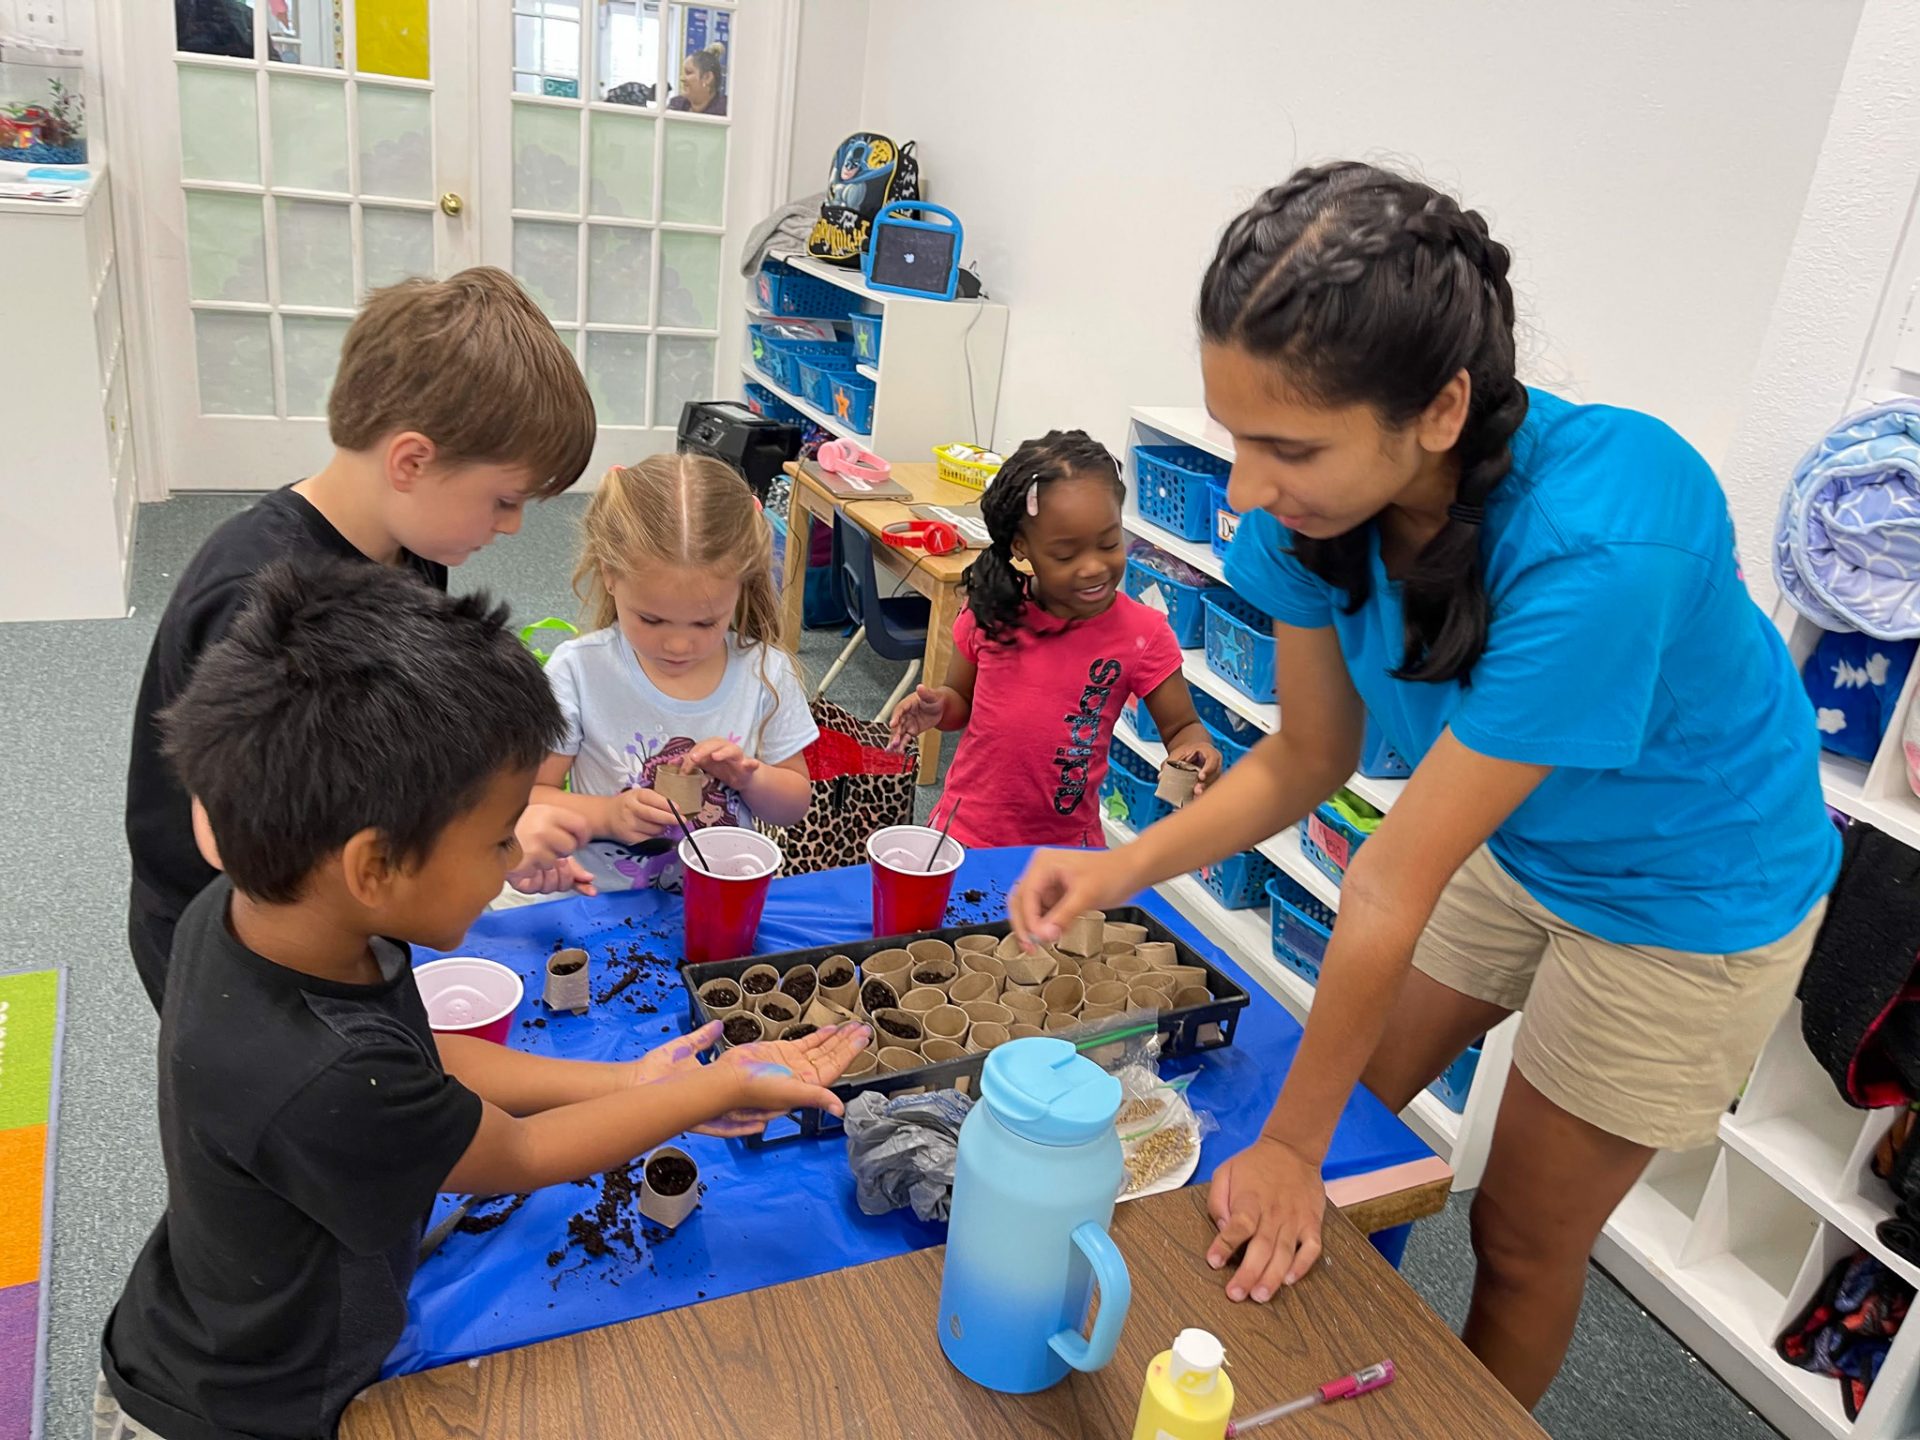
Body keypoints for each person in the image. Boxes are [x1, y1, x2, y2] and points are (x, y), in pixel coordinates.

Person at [1009, 162, 1838, 1408]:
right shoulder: (1304, 511)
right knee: (1352, 1123)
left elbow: (1394, 872)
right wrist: (1123, 863)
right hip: (1522, 842)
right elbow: (1308, 757)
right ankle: (1299, 1350)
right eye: (1234, 436)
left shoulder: (1610, 535)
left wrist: (1291, 1143)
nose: (1242, 487)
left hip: (1689, 895)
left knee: (1517, 1237)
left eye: (1286, 447)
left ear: (1439, 410)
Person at [95, 558, 867, 1440]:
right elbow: (524, 1154)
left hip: (211, 1313)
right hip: (259, 1399)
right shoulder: (326, 1075)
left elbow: (422, 1059)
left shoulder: (266, 911)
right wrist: (717, 1087)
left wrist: (625, 1087)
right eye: (499, 840)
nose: (515, 864)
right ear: (375, 867)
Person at [123, 268, 599, 1012]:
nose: (511, 528)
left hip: (353, 902)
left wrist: (485, 835)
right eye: (504, 500)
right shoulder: (258, 597)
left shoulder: (410, 553)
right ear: (411, 461)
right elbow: (233, 840)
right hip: (243, 938)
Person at [890, 430, 1220, 848]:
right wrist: (937, 708)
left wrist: (1196, 750)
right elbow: (961, 700)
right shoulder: (991, 611)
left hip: (1066, 846)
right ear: (1022, 546)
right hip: (966, 833)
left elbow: (1183, 726)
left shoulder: (1143, 634)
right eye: (1066, 555)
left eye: (1109, 543)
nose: (1093, 567)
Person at [533, 455, 817, 890]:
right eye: (651, 619)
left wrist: (750, 777)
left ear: (740, 587)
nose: (678, 645)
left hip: (722, 900)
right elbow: (532, 797)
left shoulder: (764, 672)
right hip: (604, 905)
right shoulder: (578, 671)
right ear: (609, 575)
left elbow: (793, 805)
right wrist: (608, 816)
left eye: (706, 623)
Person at [668, 42, 727, 115]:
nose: (682, 78)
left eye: (688, 72)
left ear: (707, 78)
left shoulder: (727, 110)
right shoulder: (676, 105)